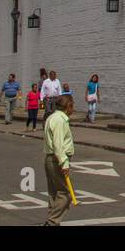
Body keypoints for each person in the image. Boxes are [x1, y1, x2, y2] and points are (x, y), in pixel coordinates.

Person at [42, 93, 75, 226]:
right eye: (73, 106)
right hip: (57, 160)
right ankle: (52, 222)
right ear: (68, 106)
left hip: (50, 158)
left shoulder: (52, 117)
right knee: (65, 194)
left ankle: (52, 221)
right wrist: (64, 163)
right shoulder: (60, 120)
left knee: (54, 193)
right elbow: (58, 144)